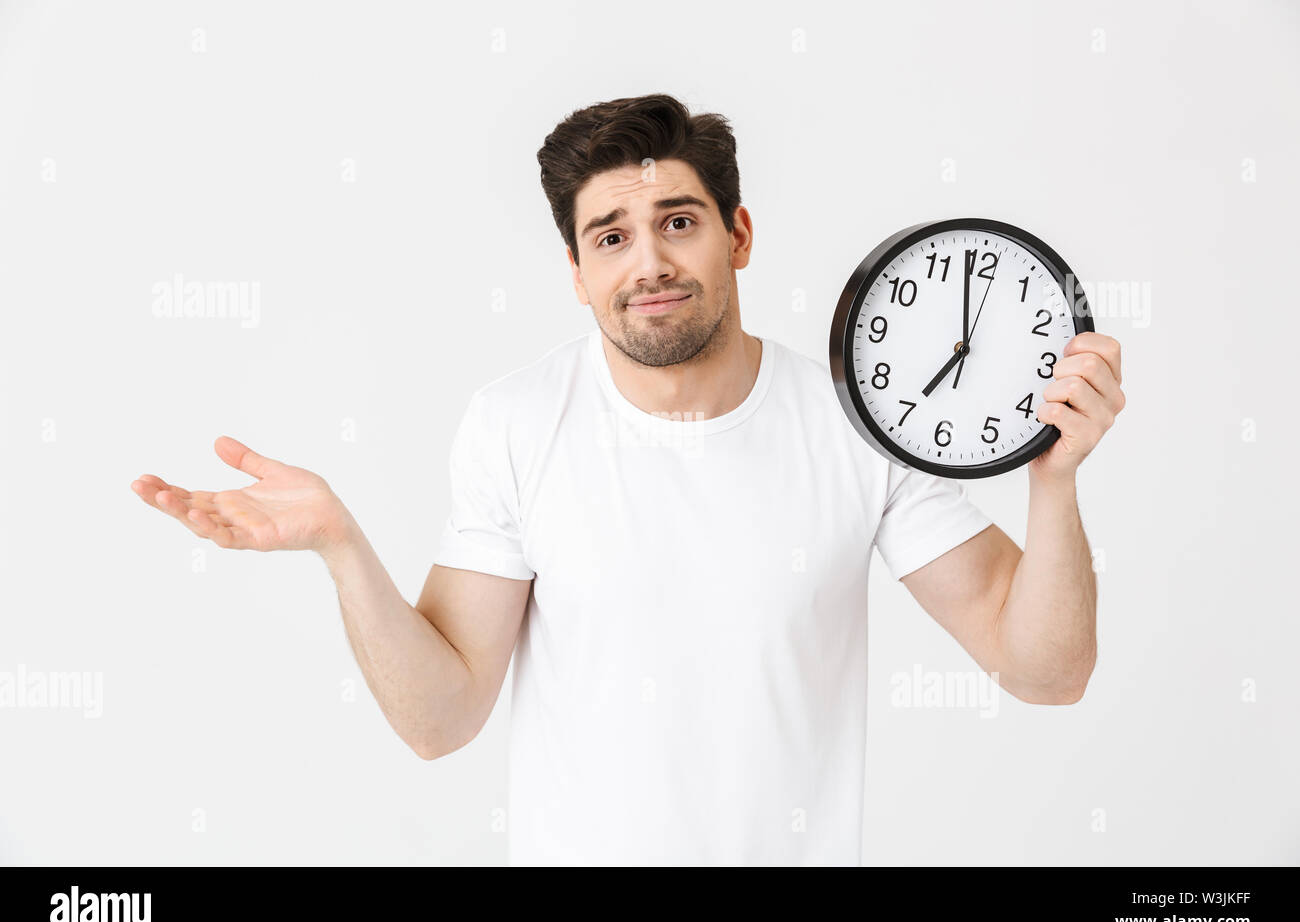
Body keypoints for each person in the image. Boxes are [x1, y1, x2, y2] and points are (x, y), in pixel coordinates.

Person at [130, 92, 1126, 866]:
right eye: (610, 235)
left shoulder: (853, 422)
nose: (648, 262)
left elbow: (1045, 669)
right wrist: (341, 546)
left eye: (678, 221)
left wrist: (1052, 481)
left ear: (737, 234)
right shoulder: (516, 422)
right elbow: (440, 721)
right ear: (576, 270)